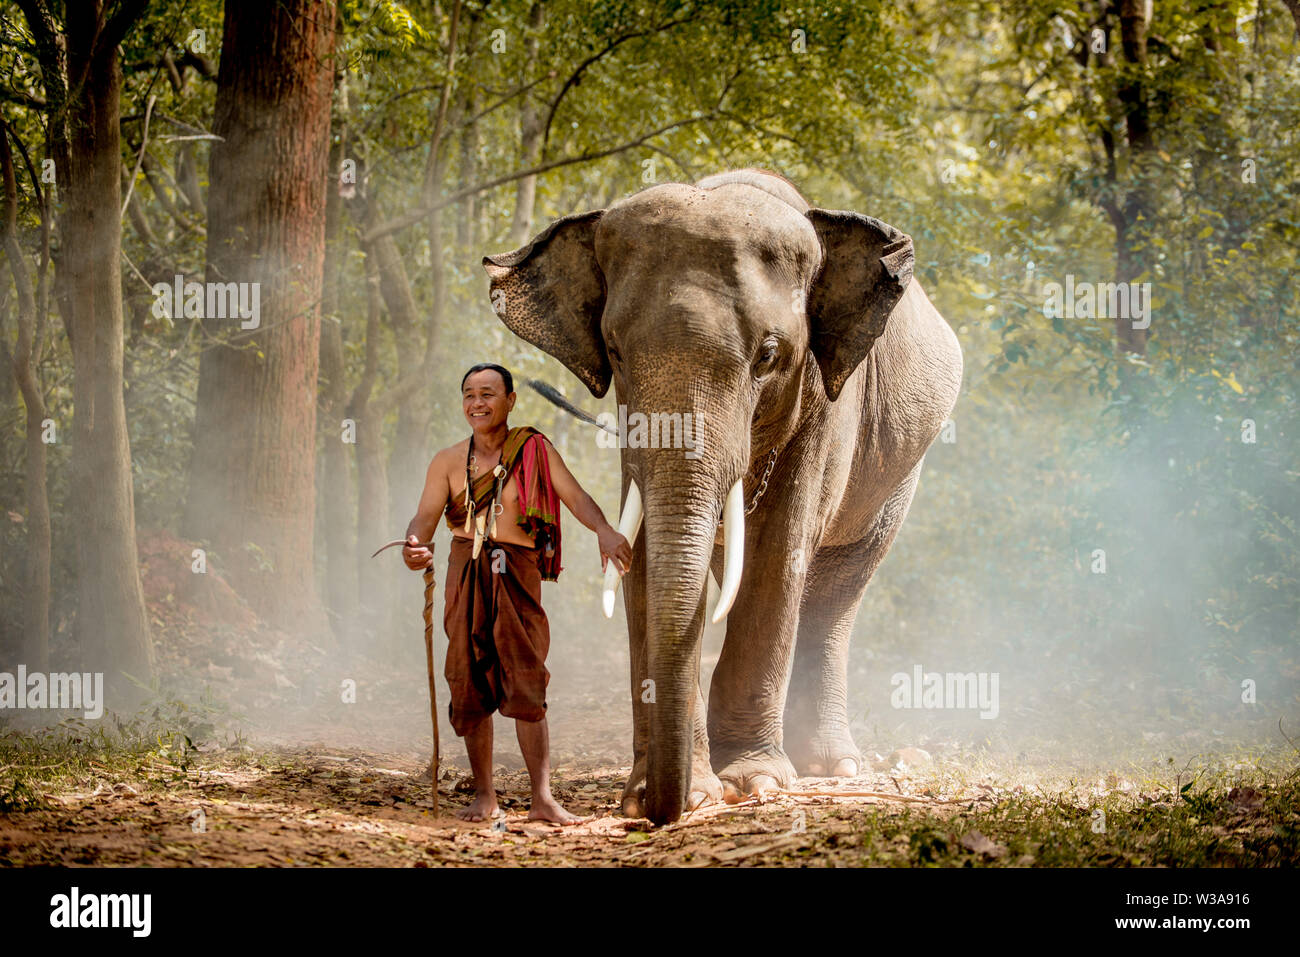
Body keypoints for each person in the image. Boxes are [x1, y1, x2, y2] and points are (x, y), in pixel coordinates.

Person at [402, 362, 633, 824]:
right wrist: (413, 547)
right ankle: (484, 795)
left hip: (517, 572)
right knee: (467, 680)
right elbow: (423, 522)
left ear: (510, 400)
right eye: (469, 394)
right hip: (465, 571)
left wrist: (604, 531)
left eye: (488, 393)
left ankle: (542, 798)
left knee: (526, 680)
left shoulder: (535, 449)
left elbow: (576, 496)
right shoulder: (448, 461)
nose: (478, 402)